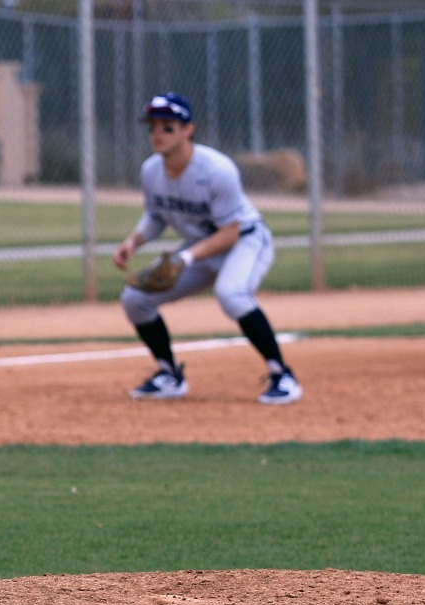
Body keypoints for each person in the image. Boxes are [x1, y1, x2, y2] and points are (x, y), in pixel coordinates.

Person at [114, 91, 302, 406]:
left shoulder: (217, 170)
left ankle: (282, 375)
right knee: (135, 299)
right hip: (200, 249)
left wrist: (184, 257)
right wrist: (134, 241)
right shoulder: (151, 171)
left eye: (168, 127)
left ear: (188, 130)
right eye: (153, 126)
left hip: (245, 242)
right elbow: (156, 214)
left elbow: (231, 232)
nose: (157, 133)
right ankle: (168, 375)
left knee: (232, 294)